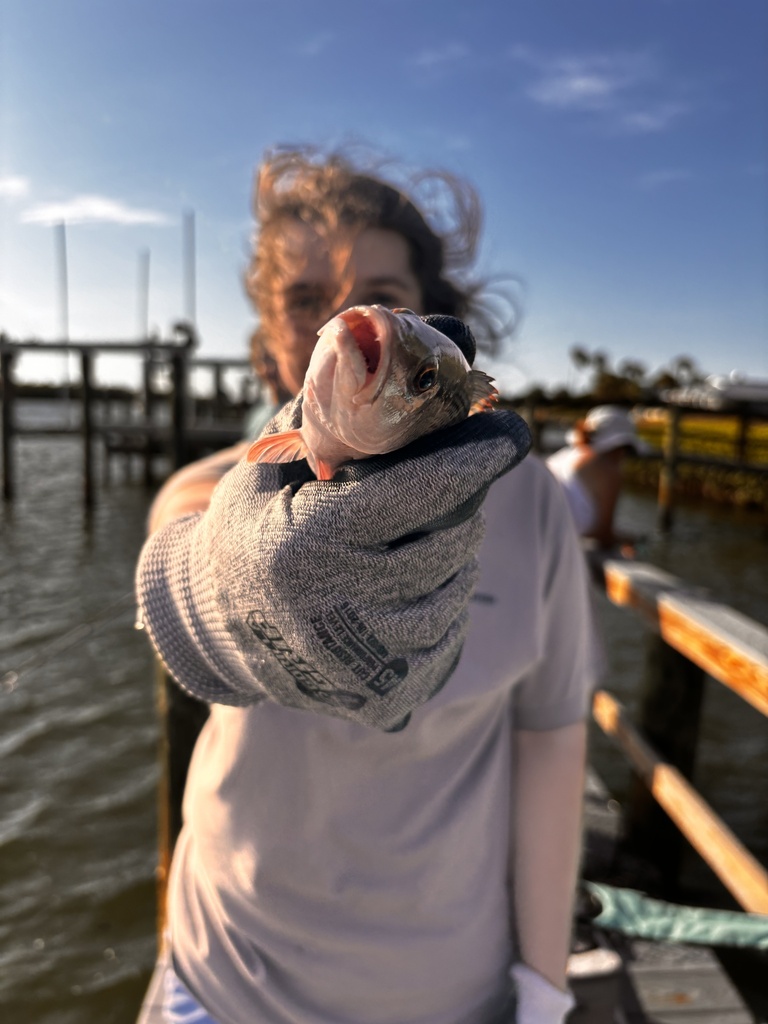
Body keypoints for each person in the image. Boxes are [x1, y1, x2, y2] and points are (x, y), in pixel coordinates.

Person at [136, 148, 599, 1024]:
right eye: (307, 300)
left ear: (440, 313)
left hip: (451, 996)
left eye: (384, 292)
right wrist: (236, 576)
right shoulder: (209, 483)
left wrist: (543, 986)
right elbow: (183, 565)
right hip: (225, 979)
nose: (350, 314)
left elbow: (551, 734)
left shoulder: (529, 499)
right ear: (277, 332)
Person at [546, 405, 645, 553]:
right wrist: (627, 540)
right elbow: (603, 535)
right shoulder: (609, 470)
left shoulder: (562, 456)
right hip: (559, 553)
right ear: (620, 445)